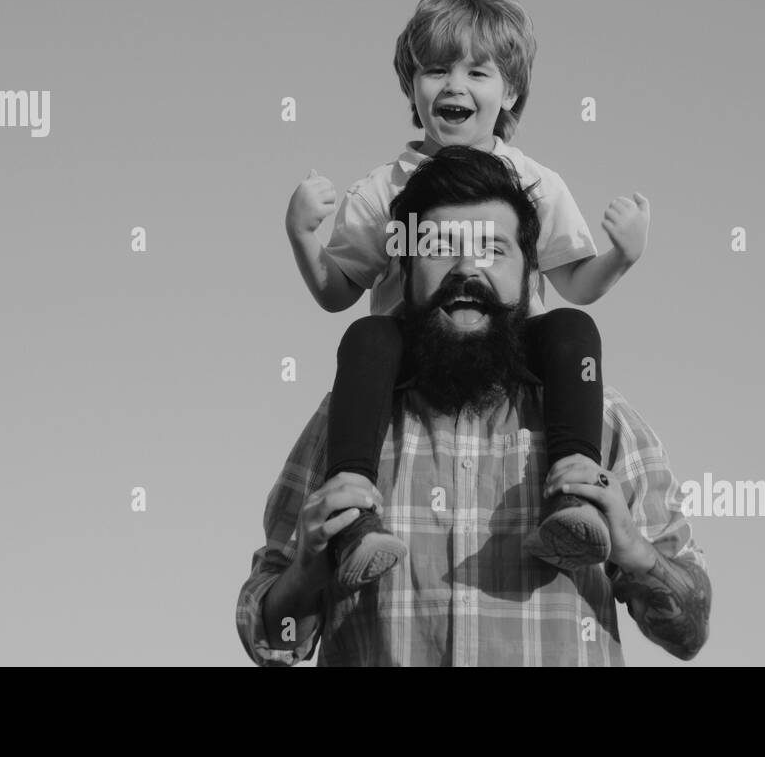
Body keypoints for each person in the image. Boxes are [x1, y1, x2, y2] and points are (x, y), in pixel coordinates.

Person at [242, 146, 709, 666]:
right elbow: (274, 639)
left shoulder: (600, 417)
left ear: (530, 272)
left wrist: (631, 549)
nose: (467, 268)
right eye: (439, 247)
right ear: (406, 269)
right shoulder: (346, 422)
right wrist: (307, 570)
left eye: (493, 249)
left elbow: (689, 630)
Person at [284, 0, 651, 590]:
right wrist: (301, 235)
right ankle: (354, 513)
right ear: (412, 88)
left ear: (509, 92)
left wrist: (622, 255)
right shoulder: (383, 190)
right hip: (416, 352)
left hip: (503, 349)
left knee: (572, 328)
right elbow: (337, 292)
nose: (455, 85)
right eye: (435, 70)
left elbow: (575, 285)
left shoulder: (533, 182)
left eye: (477, 72)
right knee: (367, 336)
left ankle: (574, 495)